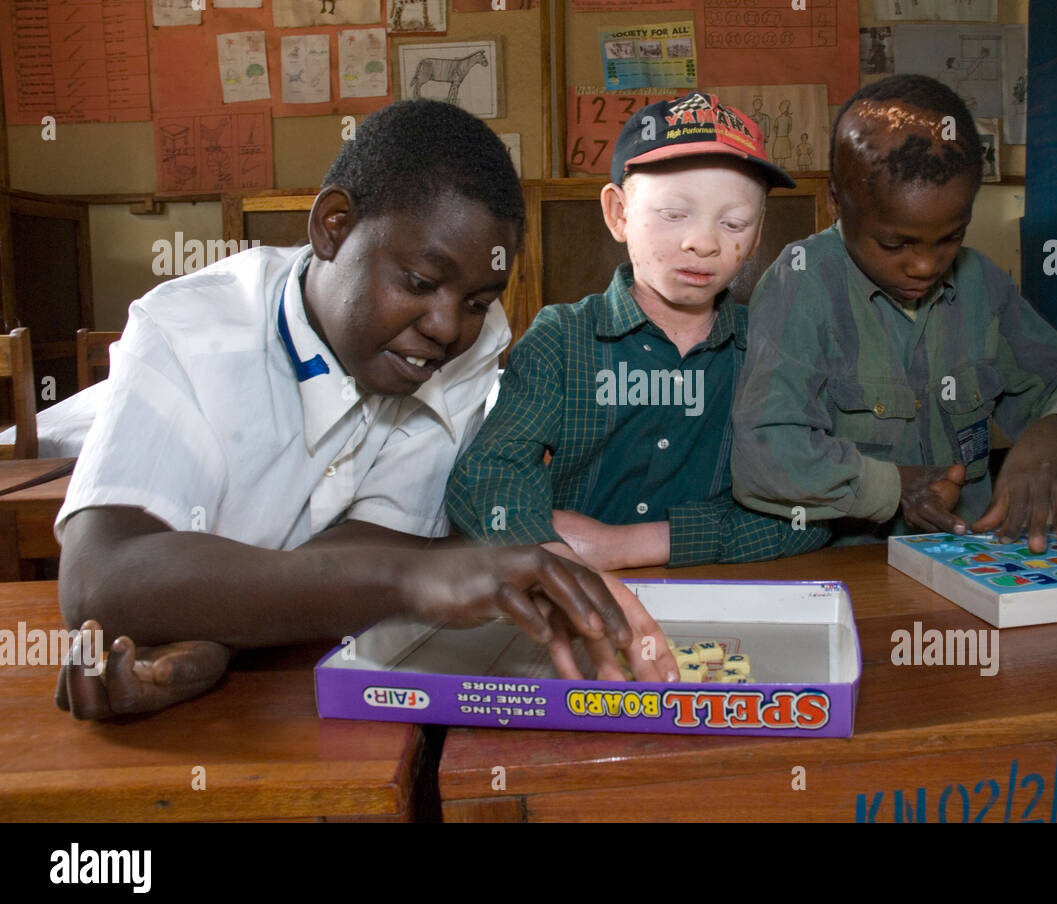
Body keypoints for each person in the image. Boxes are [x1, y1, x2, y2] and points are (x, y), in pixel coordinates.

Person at [55, 100, 675, 720]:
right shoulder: (184, 330)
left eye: (477, 301)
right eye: (418, 281)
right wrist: (412, 579)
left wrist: (223, 629)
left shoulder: (470, 345)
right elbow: (101, 578)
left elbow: (378, 540)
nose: (445, 327)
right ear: (333, 225)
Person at [445, 92, 829, 670]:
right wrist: (558, 560)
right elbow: (484, 478)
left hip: (724, 609)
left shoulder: (770, 350)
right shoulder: (563, 339)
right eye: (675, 214)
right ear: (618, 213)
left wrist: (626, 543)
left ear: (756, 235)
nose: (703, 242)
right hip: (574, 611)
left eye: (733, 222)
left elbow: (814, 512)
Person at [731, 75, 1057, 554]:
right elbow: (766, 451)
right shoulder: (802, 282)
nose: (924, 265)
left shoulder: (980, 282)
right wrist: (896, 486)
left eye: (950, 238)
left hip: (974, 559)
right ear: (837, 200)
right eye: (894, 243)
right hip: (860, 566)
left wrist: (1055, 436)